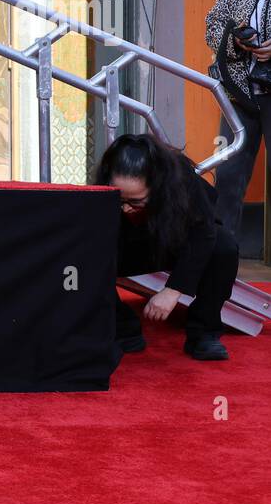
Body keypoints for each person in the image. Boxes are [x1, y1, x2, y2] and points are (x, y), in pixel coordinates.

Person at [97, 134, 238, 361]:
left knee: (224, 248)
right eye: (119, 200)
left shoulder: (178, 175)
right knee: (83, 254)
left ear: (157, 184)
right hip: (129, 244)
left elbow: (203, 232)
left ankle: (204, 332)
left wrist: (173, 290)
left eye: (135, 201)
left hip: (175, 241)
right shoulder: (104, 181)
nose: (126, 208)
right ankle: (123, 328)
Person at [207, 0, 271, 237]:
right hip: (240, 92)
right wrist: (235, 39)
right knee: (229, 175)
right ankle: (220, 260)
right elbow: (213, 25)